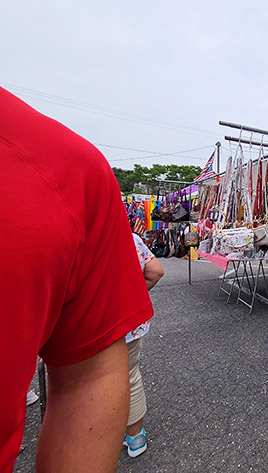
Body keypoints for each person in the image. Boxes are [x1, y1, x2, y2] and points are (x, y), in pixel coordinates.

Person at [0, 86, 154, 473]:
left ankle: (135, 434)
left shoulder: (71, 172)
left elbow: (89, 380)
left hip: (110, 328)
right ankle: (135, 435)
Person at [123, 233, 164, 457]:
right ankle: (135, 437)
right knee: (130, 377)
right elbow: (156, 271)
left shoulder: (66, 234)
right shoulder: (130, 238)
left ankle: (95, 436)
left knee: (79, 384)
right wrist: (133, 295)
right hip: (127, 322)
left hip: (83, 327)